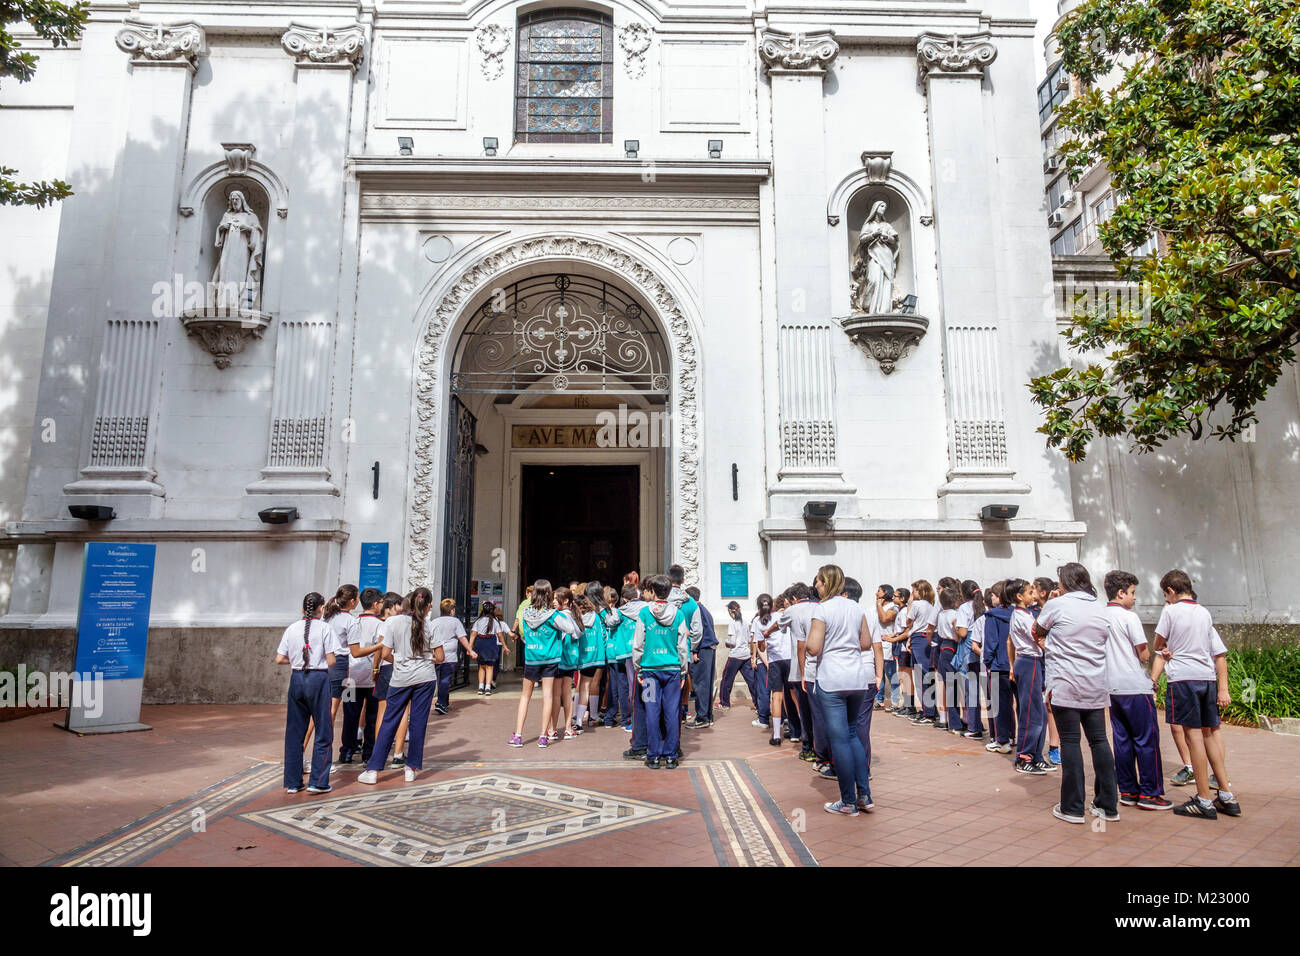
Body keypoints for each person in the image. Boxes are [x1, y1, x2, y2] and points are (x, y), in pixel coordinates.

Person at [1149, 569, 1241, 820]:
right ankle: (1226, 795)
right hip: (1206, 678)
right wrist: (1223, 687)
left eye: (1165, 595)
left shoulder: (1170, 611)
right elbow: (1218, 654)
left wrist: (1166, 650)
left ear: (1170, 591)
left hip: (1184, 679)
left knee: (1193, 738)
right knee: (1210, 732)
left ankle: (1203, 799)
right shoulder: (1204, 612)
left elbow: (1158, 644)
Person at [1034, 563, 1119, 824]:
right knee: (1099, 742)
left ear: (1064, 583)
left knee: (1070, 742)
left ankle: (1072, 806)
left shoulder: (1057, 605)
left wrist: (1049, 609)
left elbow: (1036, 630)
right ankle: (1108, 805)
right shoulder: (1098, 607)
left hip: (1066, 682)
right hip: (1094, 683)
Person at [806, 564, 877, 816]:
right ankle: (864, 795)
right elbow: (866, 643)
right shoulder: (856, 608)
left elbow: (814, 648)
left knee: (839, 740)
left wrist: (813, 645)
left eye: (819, 582)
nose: (816, 586)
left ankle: (848, 800)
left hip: (832, 679)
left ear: (828, 583)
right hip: (857, 679)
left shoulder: (822, 610)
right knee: (852, 735)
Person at [359, 588, 442, 785]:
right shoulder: (429, 626)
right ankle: (411, 767)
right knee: (419, 722)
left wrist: (400, 660)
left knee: (390, 720)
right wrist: (424, 659)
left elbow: (386, 652)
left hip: (400, 677)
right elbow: (440, 657)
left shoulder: (393, 622)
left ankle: (373, 769)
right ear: (427, 606)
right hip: (425, 677)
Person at [1103, 570, 1170, 810]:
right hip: (1134, 685)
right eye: (1132, 593)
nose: (1134, 598)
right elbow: (1143, 653)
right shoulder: (1128, 617)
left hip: (1112, 686)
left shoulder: (1100, 616)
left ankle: (1128, 790)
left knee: (1122, 740)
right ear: (1120, 593)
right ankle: (1150, 793)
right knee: (1146, 739)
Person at [276, 592, 337, 794]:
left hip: (297, 679)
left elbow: (279, 659)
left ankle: (293, 782)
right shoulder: (325, 628)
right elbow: (331, 661)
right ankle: (318, 781)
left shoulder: (291, 628)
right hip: (318, 679)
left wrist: (297, 661)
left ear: (303, 608)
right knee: (323, 730)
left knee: (294, 731)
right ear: (321, 608)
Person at [510, 580, 582, 748]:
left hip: (532, 657)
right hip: (550, 659)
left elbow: (522, 634)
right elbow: (571, 630)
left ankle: (518, 735)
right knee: (548, 695)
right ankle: (543, 736)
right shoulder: (552, 614)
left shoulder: (526, 612)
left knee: (525, 696)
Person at [633, 574, 690, 770]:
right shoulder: (678, 614)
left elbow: (638, 644)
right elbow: (683, 646)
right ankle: (671, 755)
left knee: (651, 711)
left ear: (654, 591)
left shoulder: (644, 614)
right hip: (672, 670)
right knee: (672, 712)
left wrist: (638, 669)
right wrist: (683, 671)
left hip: (649, 671)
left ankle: (654, 754)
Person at [1007, 579, 1051, 774]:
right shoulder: (1022, 617)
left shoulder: (1026, 614)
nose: (1034, 595)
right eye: (1030, 592)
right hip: (1028, 661)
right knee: (1031, 712)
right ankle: (1024, 756)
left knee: (1039, 712)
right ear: (1019, 596)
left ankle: (1036, 755)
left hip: (1031, 662)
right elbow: (1039, 635)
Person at [341, 587, 384, 764]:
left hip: (350, 675)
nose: (381, 606)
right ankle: (368, 753)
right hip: (370, 676)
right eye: (381, 603)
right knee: (372, 716)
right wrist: (376, 669)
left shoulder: (353, 621)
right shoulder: (380, 625)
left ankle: (347, 750)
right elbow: (380, 650)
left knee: (350, 714)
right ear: (375, 604)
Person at [322, 585, 360, 738]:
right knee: (341, 706)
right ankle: (332, 744)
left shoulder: (328, 617)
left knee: (328, 705)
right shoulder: (350, 620)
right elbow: (355, 651)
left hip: (326, 664)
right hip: (344, 667)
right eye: (356, 598)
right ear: (352, 601)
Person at [983, 582, 1015, 754]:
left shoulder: (992, 616)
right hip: (1015, 664)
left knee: (1000, 704)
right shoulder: (1017, 613)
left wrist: (987, 661)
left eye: (994, 595)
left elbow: (991, 643)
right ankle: (1012, 735)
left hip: (998, 664)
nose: (992, 598)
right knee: (1011, 704)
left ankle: (1002, 740)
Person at [575, 582, 611, 729]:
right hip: (599, 652)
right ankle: (594, 715)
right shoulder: (601, 613)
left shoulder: (580, 613)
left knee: (581, 684)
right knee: (595, 683)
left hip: (583, 653)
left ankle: (577, 715)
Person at [902, 580, 938, 724]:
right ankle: (928, 709)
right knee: (926, 674)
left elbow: (908, 622)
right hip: (925, 638)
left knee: (922, 675)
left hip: (918, 637)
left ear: (920, 591)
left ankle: (928, 712)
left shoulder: (916, 604)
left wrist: (910, 603)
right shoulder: (931, 606)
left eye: (914, 591)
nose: (912, 594)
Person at [430, 598, 474, 715]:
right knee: (445, 680)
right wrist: (470, 650)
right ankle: (441, 703)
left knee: (440, 679)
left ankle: (445, 701)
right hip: (449, 656)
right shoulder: (455, 622)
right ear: (452, 611)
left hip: (436, 655)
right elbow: (462, 638)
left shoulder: (434, 622)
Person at [954, 579, 985, 739]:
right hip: (981, 648)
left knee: (970, 690)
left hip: (968, 649)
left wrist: (955, 626)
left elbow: (963, 632)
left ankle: (973, 726)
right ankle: (979, 724)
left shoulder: (964, 608)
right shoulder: (983, 606)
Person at [685, 586, 717, 728]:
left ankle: (702, 717)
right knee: (706, 683)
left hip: (702, 649)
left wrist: (694, 650)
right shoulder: (705, 610)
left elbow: (698, 632)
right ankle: (708, 715)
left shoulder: (697, 610)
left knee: (700, 684)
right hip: (709, 649)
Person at [934, 586, 963, 732]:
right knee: (953, 687)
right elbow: (957, 637)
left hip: (943, 647)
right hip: (952, 647)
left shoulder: (941, 614)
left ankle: (954, 721)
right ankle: (956, 723)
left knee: (949, 686)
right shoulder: (954, 615)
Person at [717, 601, 754, 710]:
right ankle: (758, 703)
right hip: (745, 655)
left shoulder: (732, 623)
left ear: (730, 611)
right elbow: (748, 639)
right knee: (751, 680)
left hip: (735, 655)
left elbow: (732, 642)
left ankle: (724, 703)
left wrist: (726, 642)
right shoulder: (745, 622)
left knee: (726, 679)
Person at [471, 601, 510, 696]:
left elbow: (473, 635)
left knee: (481, 666)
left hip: (480, 642)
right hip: (491, 643)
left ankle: (480, 687)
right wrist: (504, 646)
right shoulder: (495, 621)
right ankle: (488, 688)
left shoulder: (478, 621)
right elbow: (500, 635)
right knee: (490, 667)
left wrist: (470, 648)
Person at [888, 588, 914, 716]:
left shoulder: (904, 612)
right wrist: (890, 637)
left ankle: (910, 706)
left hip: (903, 646)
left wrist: (894, 639)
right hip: (899, 645)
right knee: (901, 676)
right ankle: (906, 704)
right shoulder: (900, 611)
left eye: (895, 596)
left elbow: (906, 632)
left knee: (906, 676)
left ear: (902, 598)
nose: (893, 598)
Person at [749, 594, 774, 730]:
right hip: (777, 660)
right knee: (778, 691)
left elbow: (759, 645)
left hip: (764, 662)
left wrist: (764, 662)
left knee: (763, 691)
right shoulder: (777, 618)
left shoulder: (757, 622)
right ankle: (782, 719)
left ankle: (763, 719)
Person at [874, 585, 899, 710]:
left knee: (891, 674)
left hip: (888, 644)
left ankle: (895, 701)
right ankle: (879, 699)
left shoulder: (893, 607)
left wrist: (879, 605)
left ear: (886, 593)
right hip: (878, 644)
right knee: (879, 673)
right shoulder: (879, 606)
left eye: (879, 591)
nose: (876, 593)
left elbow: (884, 619)